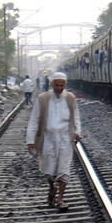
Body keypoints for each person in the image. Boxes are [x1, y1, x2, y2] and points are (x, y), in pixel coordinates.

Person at [26, 72, 82, 211]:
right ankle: (52, 187)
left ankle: (60, 199)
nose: (59, 88)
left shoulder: (70, 98)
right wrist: (30, 140)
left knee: (64, 168)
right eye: (56, 85)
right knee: (49, 168)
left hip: (65, 138)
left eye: (62, 85)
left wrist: (77, 132)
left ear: (65, 85)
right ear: (51, 84)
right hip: (48, 139)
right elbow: (34, 120)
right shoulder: (43, 99)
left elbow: (76, 117)